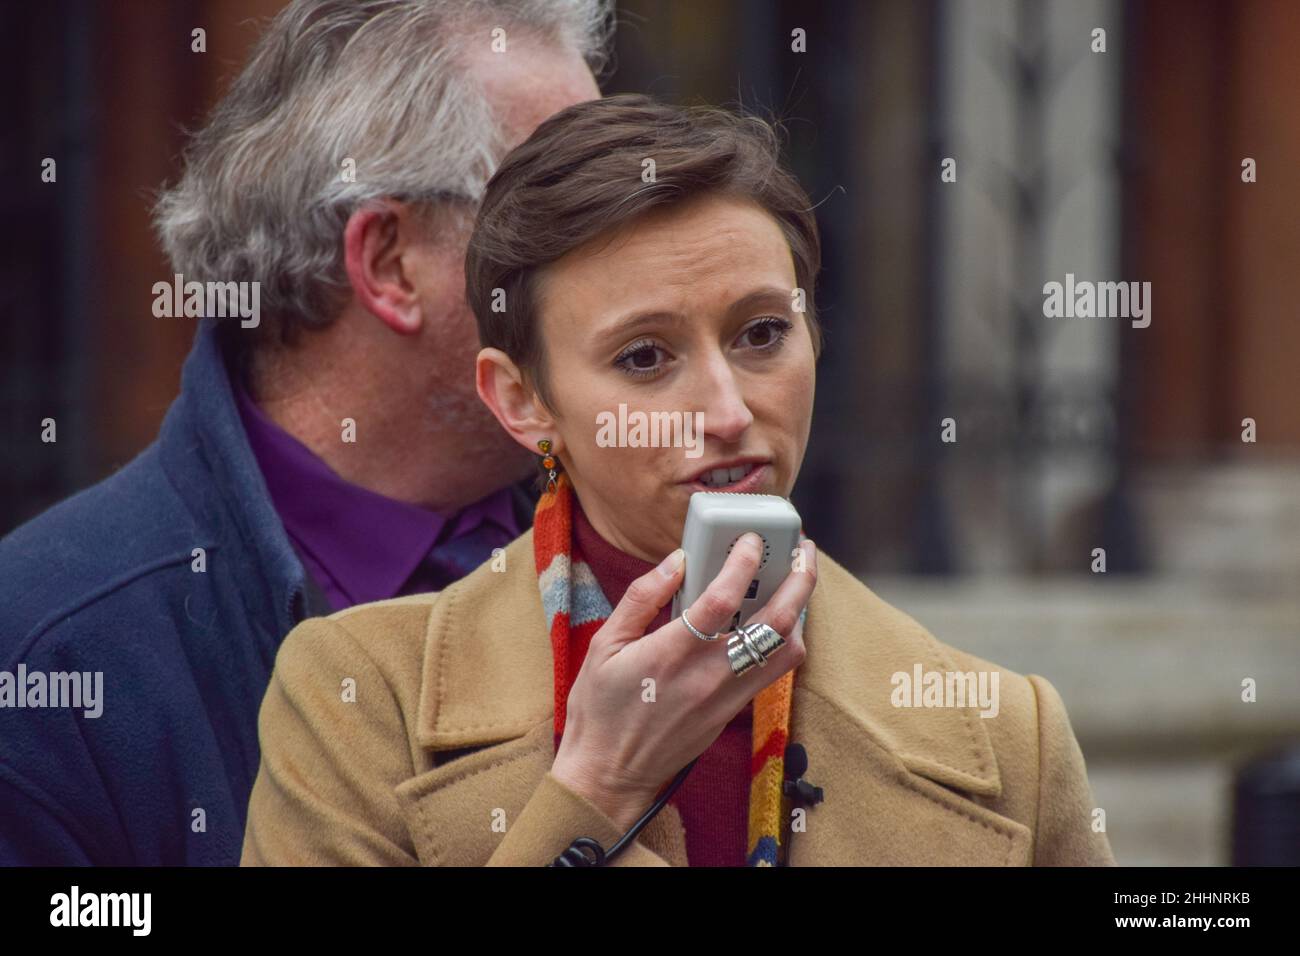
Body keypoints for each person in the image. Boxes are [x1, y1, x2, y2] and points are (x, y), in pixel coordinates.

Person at [241, 93, 1117, 866]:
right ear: (522, 400)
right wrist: (596, 789)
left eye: (763, 334)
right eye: (646, 356)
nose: (728, 409)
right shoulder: (357, 700)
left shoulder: (1009, 738)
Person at [0, 0, 609, 865]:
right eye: (568, 215)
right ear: (390, 261)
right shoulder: (43, 659)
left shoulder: (640, 547)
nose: (626, 258)